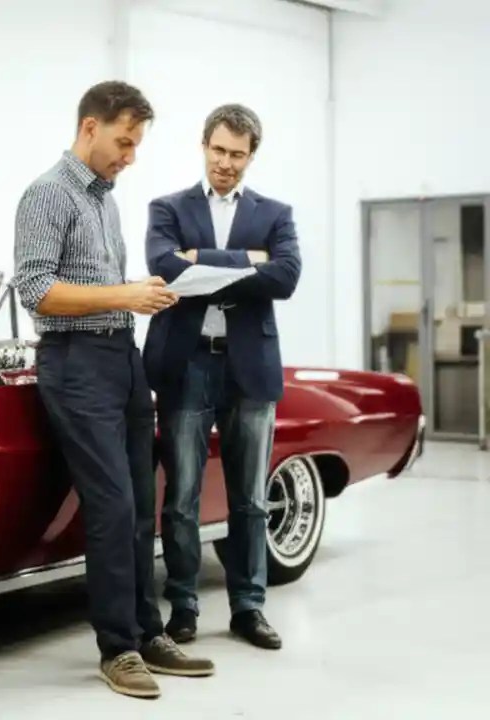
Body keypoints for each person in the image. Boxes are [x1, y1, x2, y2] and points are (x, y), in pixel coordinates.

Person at [11, 80, 215, 700]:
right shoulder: (47, 195)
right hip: (76, 364)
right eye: (124, 142)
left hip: (120, 360)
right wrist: (127, 294)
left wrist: (138, 293)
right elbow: (36, 289)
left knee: (138, 509)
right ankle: (117, 648)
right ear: (89, 127)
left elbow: (91, 287)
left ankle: (147, 633)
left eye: (136, 145)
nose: (130, 156)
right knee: (111, 506)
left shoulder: (105, 201)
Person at [142, 103, 302, 651]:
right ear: (203, 145)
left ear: (251, 155)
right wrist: (245, 263)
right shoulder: (167, 207)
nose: (226, 163)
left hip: (249, 368)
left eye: (237, 154)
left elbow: (285, 276)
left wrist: (203, 262)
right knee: (182, 496)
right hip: (188, 363)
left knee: (251, 499)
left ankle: (249, 607)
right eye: (218, 151)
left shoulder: (276, 213)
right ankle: (183, 606)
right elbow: (165, 266)